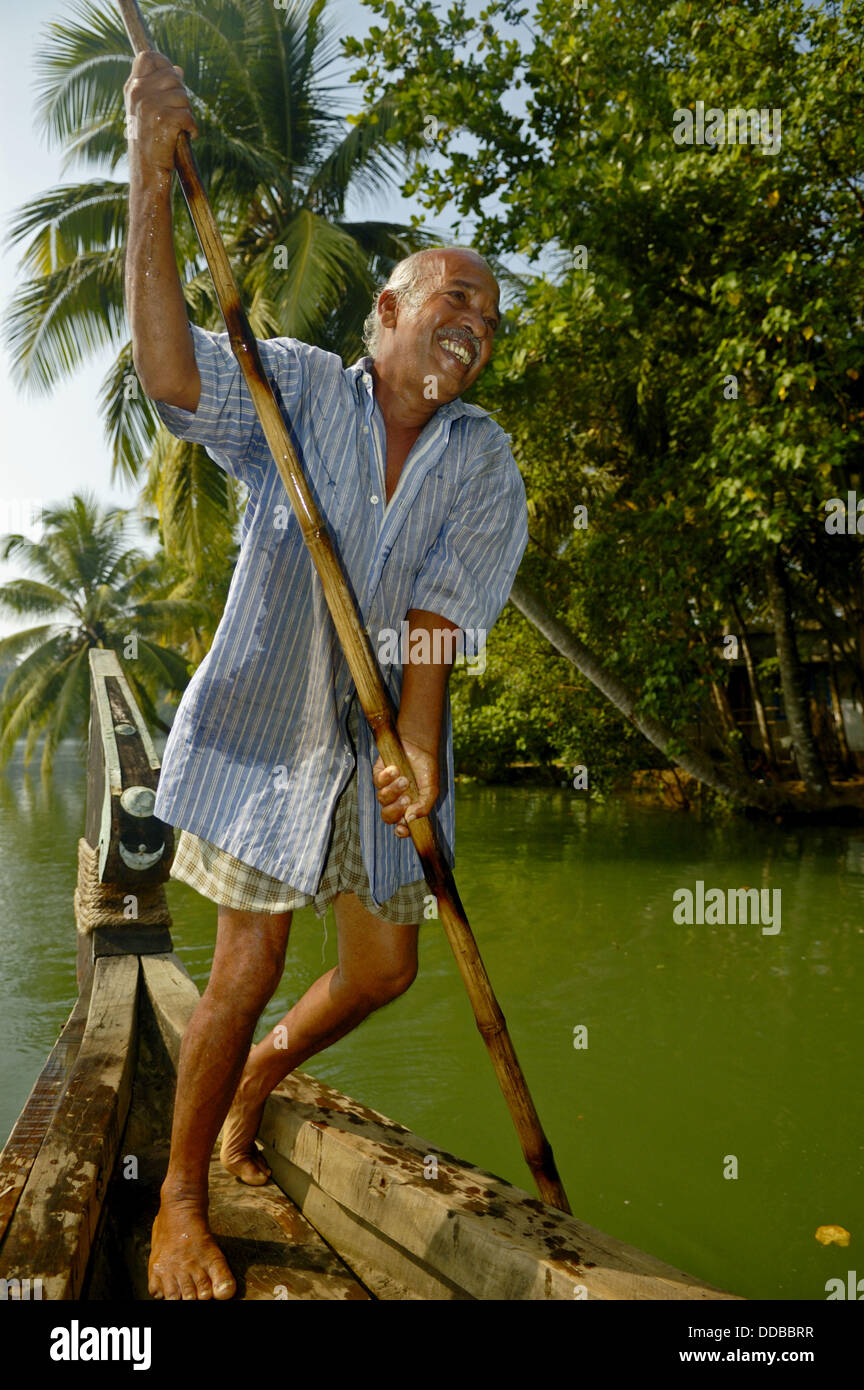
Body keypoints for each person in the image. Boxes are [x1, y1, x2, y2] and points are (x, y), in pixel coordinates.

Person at [124, 50, 528, 1300]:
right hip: (265, 732)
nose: (470, 322)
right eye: (450, 298)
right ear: (386, 317)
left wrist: (414, 748)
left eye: (489, 318)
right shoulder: (294, 383)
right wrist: (148, 176)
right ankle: (182, 1198)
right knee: (244, 961)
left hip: (389, 747)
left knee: (383, 968)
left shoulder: (483, 459)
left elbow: (435, 613)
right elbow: (171, 375)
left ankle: (259, 1076)